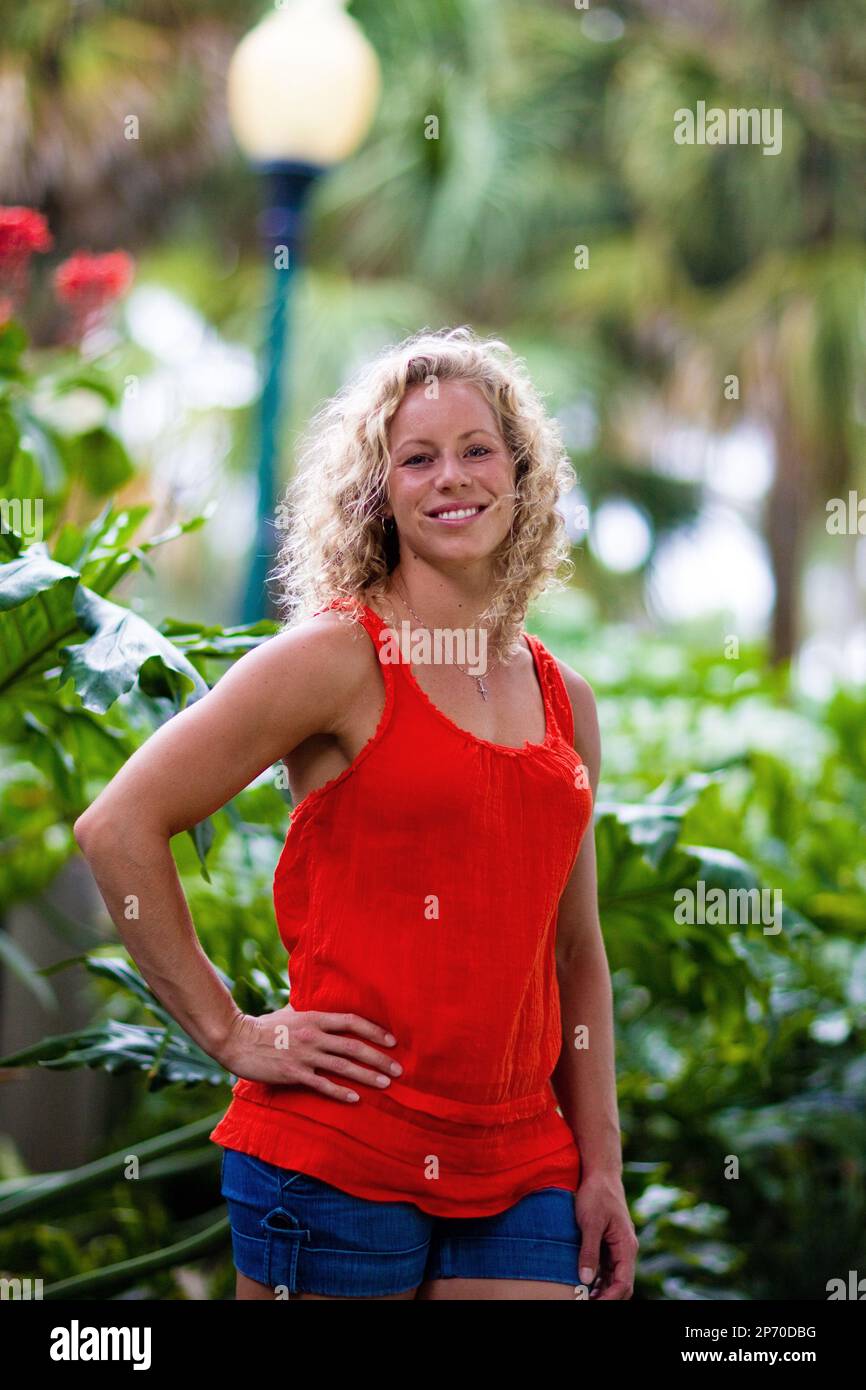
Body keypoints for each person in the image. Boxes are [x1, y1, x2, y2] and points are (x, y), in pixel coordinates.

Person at [74, 325, 638, 1301]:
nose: (450, 476)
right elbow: (117, 826)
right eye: (416, 458)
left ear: (521, 473)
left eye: (476, 449)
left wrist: (602, 1165)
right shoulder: (336, 658)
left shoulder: (564, 700)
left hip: (521, 1167)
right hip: (338, 1149)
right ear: (379, 492)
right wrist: (230, 1031)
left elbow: (575, 950)